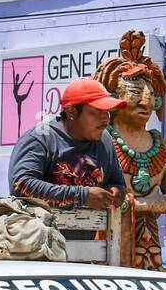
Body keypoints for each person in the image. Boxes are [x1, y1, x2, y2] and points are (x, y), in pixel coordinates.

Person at [8, 78, 128, 210]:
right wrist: (82, 196)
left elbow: (118, 183)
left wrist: (117, 192)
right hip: (42, 230)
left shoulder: (105, 140)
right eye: (98, 111)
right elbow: (20, 185)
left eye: (108, 111)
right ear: (71, 111)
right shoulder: (40, 138)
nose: (106, 119)